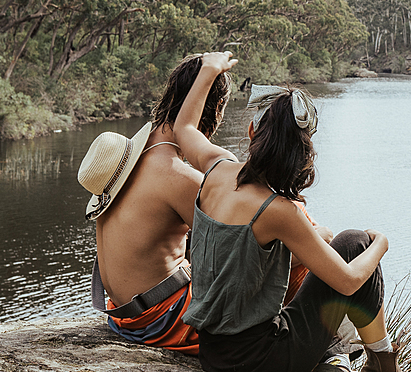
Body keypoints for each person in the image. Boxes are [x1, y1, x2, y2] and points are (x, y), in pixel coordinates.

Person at [171, 51, 411, 372]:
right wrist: (381, 243)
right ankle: (386, 367)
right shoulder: (278, 211)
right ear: (302, 150)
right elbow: (350, 281)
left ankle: (342, 362)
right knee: (356, 243)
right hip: (261, 367)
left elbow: (184, 127)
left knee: (332, 247)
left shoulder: (215, 169)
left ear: (251, 132)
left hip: (214, 354)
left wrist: (210, 71)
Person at [76, 54, 324, 353]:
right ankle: (327, 355)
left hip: (121, 315)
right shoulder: (179, 177)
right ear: (216, 110)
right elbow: (245, 256)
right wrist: (310, 236)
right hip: (160, 322)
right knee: (306, 254)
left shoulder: (132, 156)